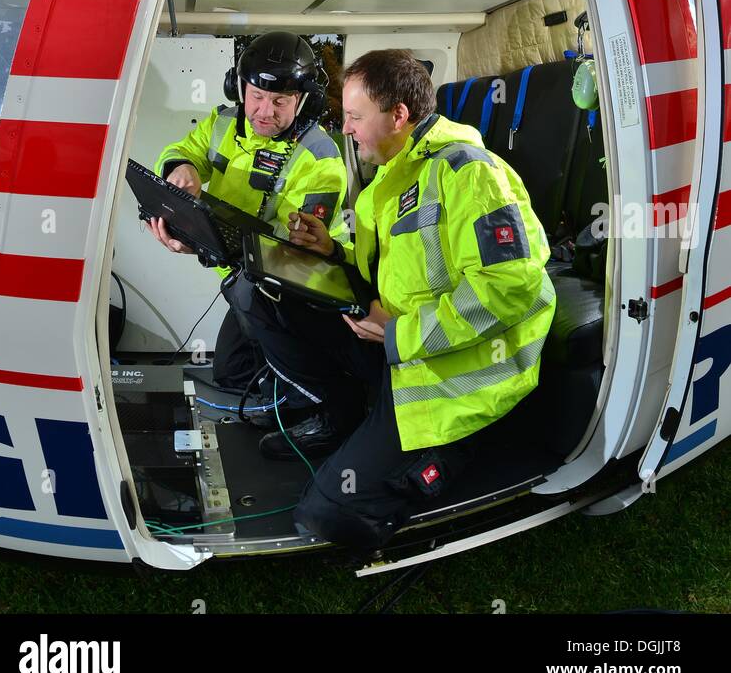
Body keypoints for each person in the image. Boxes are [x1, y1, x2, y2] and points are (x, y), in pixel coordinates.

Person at [239, 48, 557, 549]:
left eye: (353, 116)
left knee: (328, 514)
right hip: (398, 351)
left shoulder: (469, 174)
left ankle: (455, 454)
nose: (345, 128)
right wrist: (331, 249)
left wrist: (400, 333)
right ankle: (346, 420)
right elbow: (389, 270)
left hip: (454, 378)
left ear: (399, 115)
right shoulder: (393, 176)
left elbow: (509, 286)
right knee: (268, 300)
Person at [148, 31, 349, 406]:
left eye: (280, 101)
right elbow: (183, 150)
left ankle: (311, 406)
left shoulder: (321, 159)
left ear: (304, 101)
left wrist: (201, 245)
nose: (264, 111)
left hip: (299, 287)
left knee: (284, 373)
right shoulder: (223, 124)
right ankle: (277, 393)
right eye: (256, 96)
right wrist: (181, 167)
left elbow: (290, 252)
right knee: (231, 372)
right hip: (247, 278)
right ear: (238, 88)